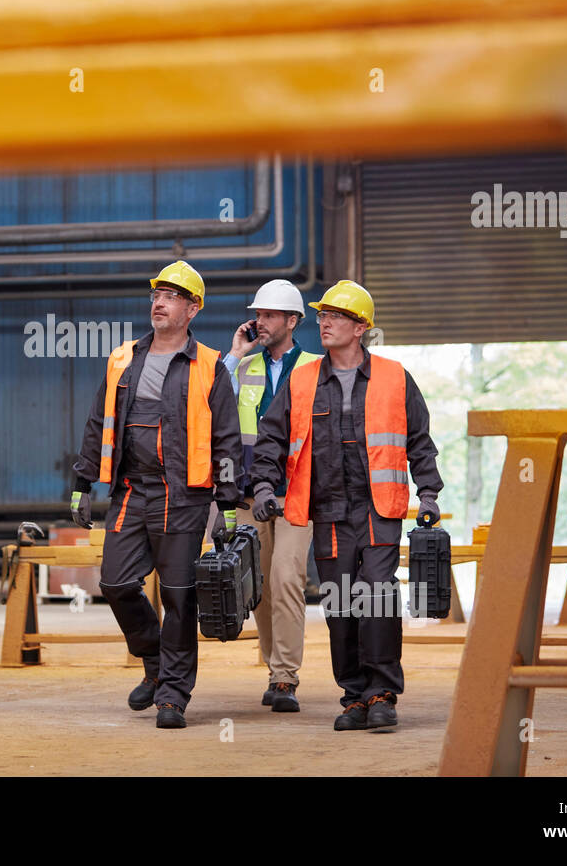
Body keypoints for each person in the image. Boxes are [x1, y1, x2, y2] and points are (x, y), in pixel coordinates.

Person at [250, 280, 443, 731]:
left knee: (375, 594)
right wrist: (262, 486)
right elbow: (271, 438)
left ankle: (382, 692)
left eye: (336, 316)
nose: (325, 322)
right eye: (323, 315)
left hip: (378, 508)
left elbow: (419, 441)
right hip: (328, 509)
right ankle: (354, 695)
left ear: (360, 328)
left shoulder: (395, 376)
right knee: (339, 604)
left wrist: (428, 493)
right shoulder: (302, 379)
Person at [70, 260, 243, 729]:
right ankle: (152, 659)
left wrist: (226, 504)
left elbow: (227, 437)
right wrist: (82, 483)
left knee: (180, 596)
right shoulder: (124, 358)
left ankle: (172, 696)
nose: (159, 303)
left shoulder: (209, 366)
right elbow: (97, 423)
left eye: (170, 296)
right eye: (156, 295)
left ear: (193, 308)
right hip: (130, 489)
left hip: (184, 496)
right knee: (117, 583)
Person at [223, 280, 320, 714]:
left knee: (286, 579)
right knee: (255, 587)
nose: (259, 322)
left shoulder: (316, 367)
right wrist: (235, 354)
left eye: (268, 316)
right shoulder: (244, 367)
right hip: (248, 494)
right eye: (257, 315)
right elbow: (211, 404)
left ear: (292, 321)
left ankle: (284, 677)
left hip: (296, 492)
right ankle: (273, 664)